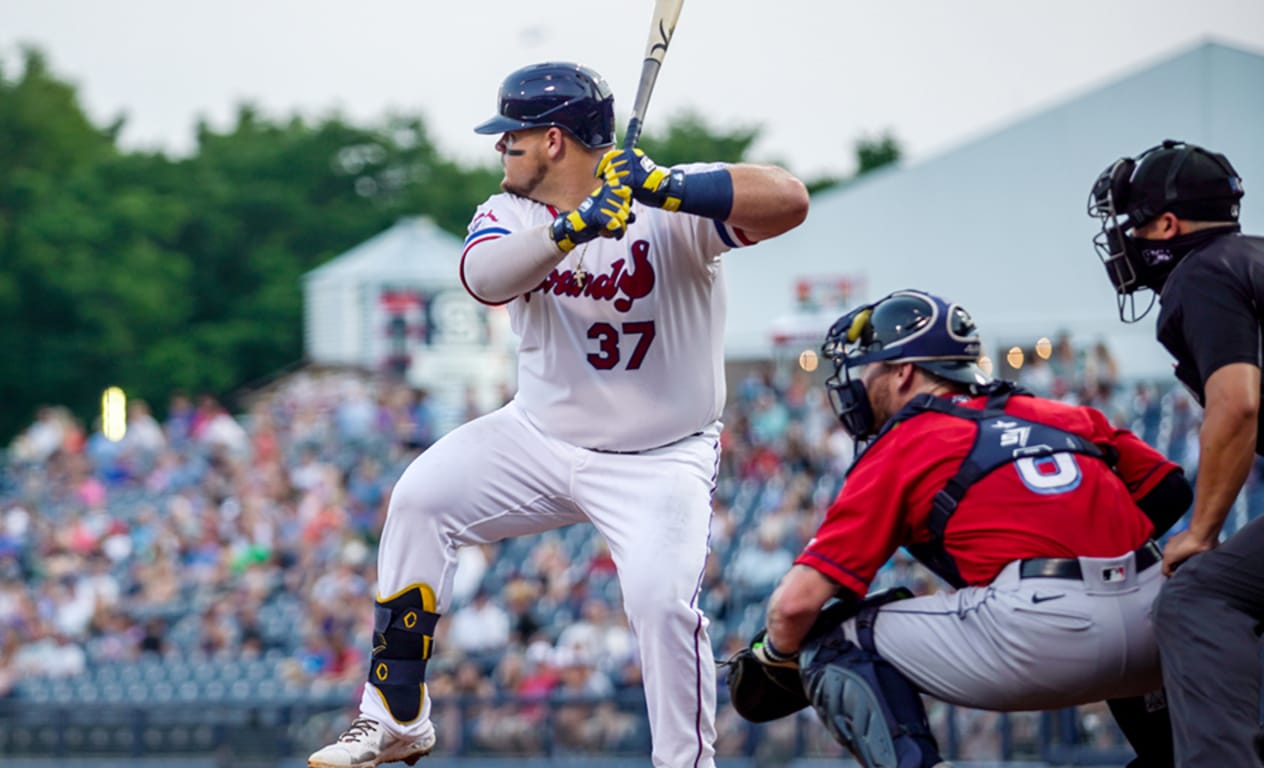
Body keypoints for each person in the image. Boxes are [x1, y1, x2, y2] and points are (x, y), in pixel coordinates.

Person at [307, 61, 809, 768]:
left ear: (552, 140)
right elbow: (483, 278)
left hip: (660, 456)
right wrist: (572, 228)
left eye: (511, 135)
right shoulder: (509, 211)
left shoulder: (669, 204)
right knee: (420, 499)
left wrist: (667, 187)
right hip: (539, 437)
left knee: (662, 605)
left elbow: (790, 198)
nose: (499, 148)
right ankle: (394, 716)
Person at [754, 290, 1192, 768]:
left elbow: (794, 605)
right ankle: (1175, 756)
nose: (859, 383)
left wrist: (773, 657)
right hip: (1158, 624)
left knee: (834, 640)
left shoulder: (905, 442)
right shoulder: (1061, 413)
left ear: (904, 372)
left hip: (1040, 633)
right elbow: (1170, 489)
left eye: (869, 369)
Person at [1088, 138, 1261, 766]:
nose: (1126, 241)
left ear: (1167, 224)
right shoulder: (1252, 258)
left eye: (1134, 224)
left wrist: (1204, 531)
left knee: (1198, 594)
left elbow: (1238, 403)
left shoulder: (1203, 271)